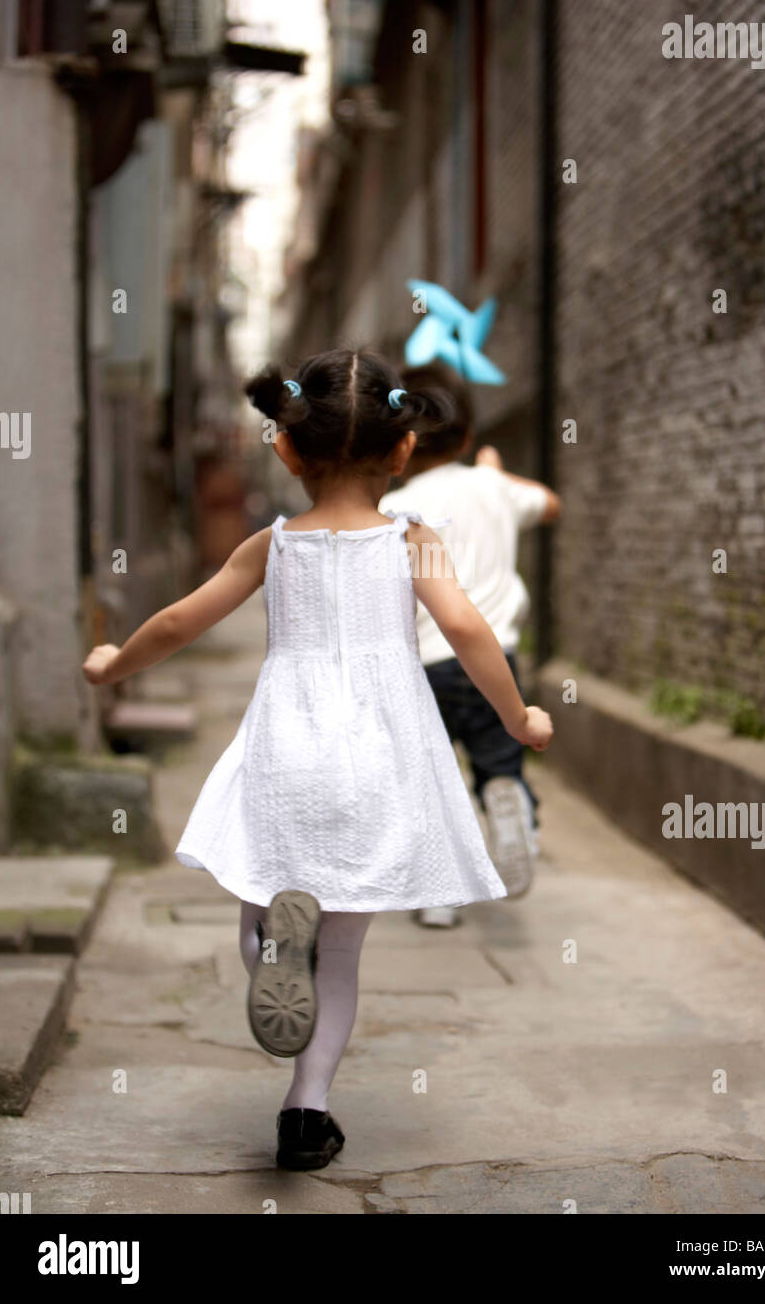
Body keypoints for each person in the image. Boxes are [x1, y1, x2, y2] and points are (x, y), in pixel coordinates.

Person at [82, 349, 553, 1173]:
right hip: (377, 758)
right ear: (403, 452)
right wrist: (518, 717)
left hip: (286, 754)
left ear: (287, 450)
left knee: (266, 909)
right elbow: (472, 633)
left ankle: (271, 952)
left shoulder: (274, 545)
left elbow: (178, 622)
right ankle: (307, 1111)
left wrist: (112, 664)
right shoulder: (413, 540)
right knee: (341, 956)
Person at [381, 362, 561, 927]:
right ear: (467, 435)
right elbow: (551, 504)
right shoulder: (493, 487)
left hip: (424, 666)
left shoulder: (395, 509)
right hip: (495, 663)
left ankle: (438, 900)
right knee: (499, 756)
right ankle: (509, 806)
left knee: (430, 782)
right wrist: (494, 471)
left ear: (401, 446)